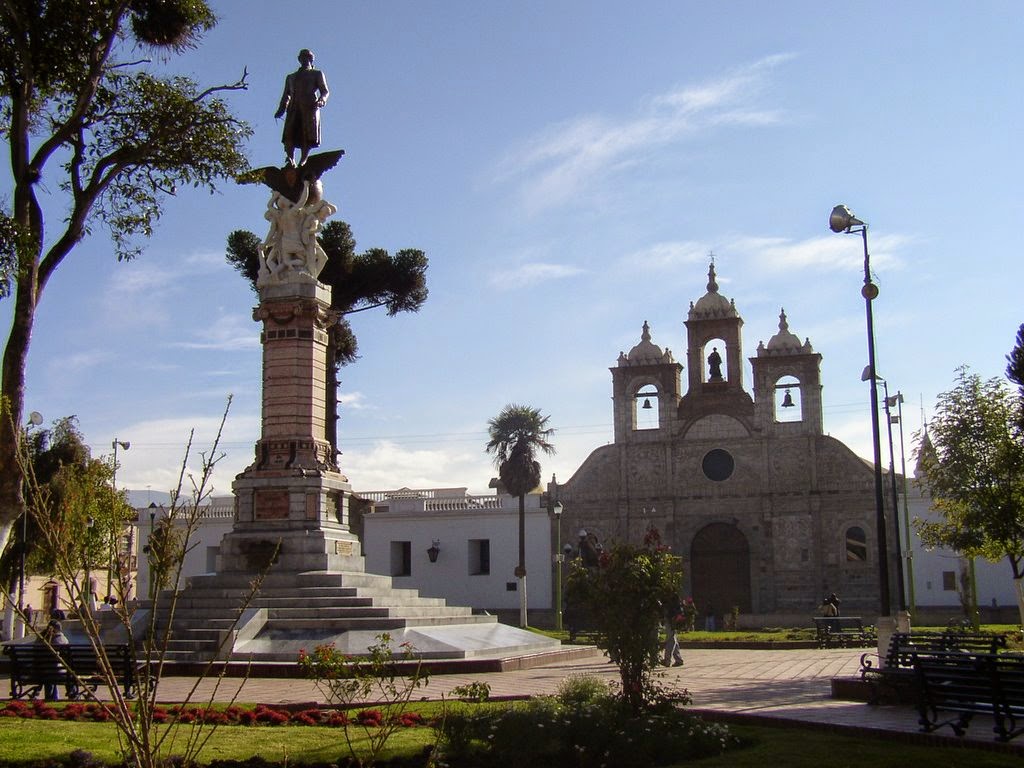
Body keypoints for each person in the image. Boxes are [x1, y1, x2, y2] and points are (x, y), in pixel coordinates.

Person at [275, 49, 330, 167]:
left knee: (307, 134)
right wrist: (281, 109)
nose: (304, 60)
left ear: (311, 59)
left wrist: (321, 100)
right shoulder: (291, 77)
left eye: (307, 57)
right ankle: (290, 159)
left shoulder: (316, 73)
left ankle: (303, 160)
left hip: (310, 106)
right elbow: (286, 95)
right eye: (302, 58)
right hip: (294, 107)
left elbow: (324, 91)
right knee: (289, 134)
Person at [37, 619, 70, 701]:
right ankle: (72, 694)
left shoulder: (40, 638)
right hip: (56, 672)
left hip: (40, 671)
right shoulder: (61, 639)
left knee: (49, 671)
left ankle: (50, 697)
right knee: (67, 673)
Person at [661, 594, 684, 667]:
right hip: (673, 617)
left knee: (671, 638)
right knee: (673, 638)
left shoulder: (669, 594)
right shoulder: (673, 594)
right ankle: (678, 659)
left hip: (671, 617)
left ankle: (667, 660)